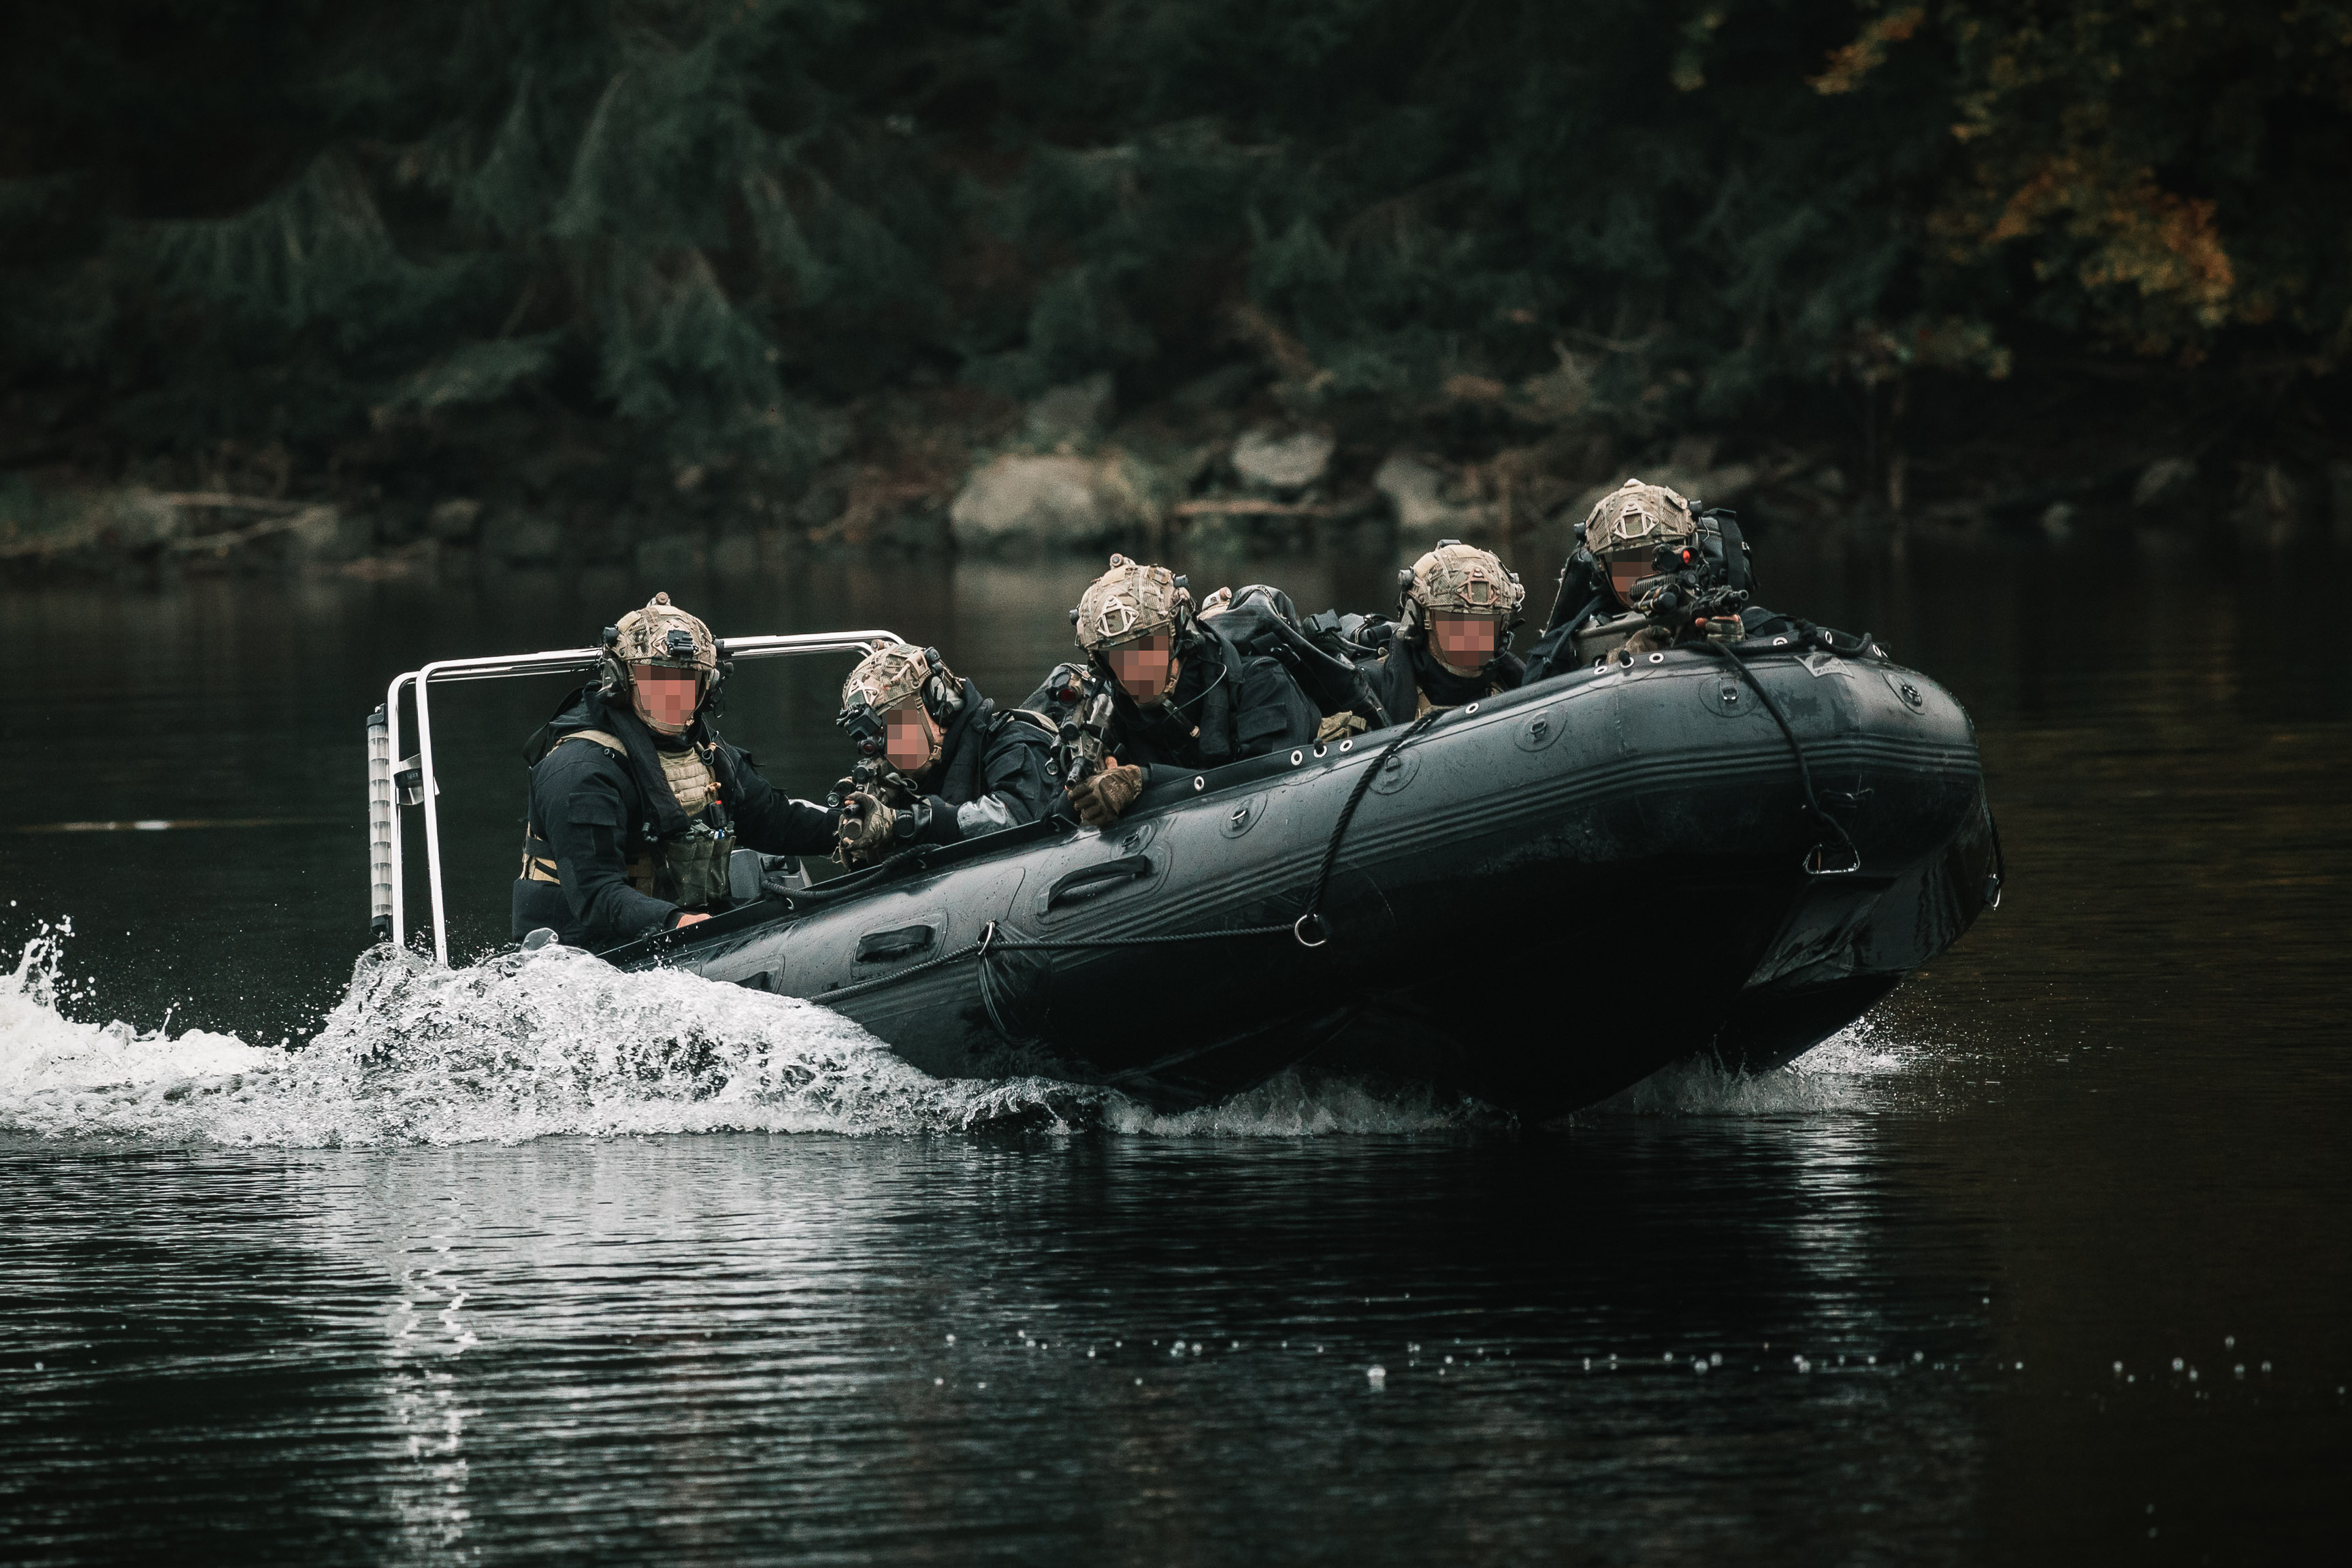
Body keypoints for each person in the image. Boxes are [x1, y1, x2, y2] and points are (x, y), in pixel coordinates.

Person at [512, 592, 838, 947]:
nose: (673, 696)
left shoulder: (705, 749)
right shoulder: (579, 771)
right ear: (623, 680)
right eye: (658, 681)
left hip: (679, 931)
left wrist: (854, 831)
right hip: (588, 950)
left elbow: (773, 821)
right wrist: (677, 921)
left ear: (706, 687)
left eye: (686, 681)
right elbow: (597, 894)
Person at [1058, 555, 1322, 828]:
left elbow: (1268, 786)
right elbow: (1053, 824)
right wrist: (1087, 788)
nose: (1134, 669)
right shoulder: (1113, 717)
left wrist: (1143, 780)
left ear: (1178, 637)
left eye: (1146, 648)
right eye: (1117, 657)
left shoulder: (1261, 681)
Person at [832, 641, 1057, 867]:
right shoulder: (921, 780)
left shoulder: (1015, 740)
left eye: (897, 725)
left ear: (937, 701)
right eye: (880, 739)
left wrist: (906, 823)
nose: (891, 748)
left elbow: (1018, 818)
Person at [1521, 478, 1750, 679]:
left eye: (1658, 556)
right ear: (1603, 571)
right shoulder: (1569, 641)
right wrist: (1612, 666)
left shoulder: (1725, 612)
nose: (1643, 572)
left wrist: (1739, 642)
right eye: (1626, 563)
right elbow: (1535, 691)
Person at [1352, 540, 1528, 723]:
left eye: (1486, 624)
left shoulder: (1517, 684)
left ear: (1503, 628)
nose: (1474, 638)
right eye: (1459, 624)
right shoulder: (1372, 691)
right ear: (1421, 620)